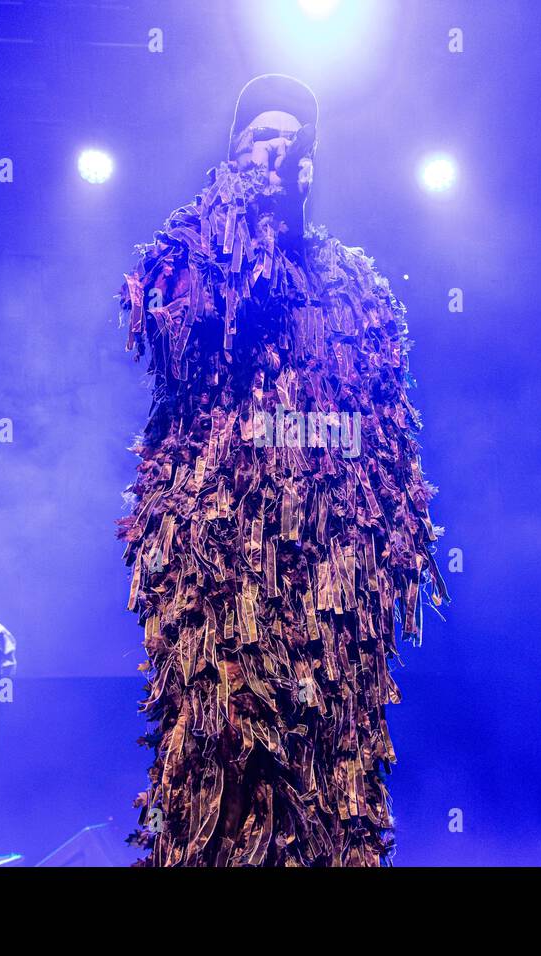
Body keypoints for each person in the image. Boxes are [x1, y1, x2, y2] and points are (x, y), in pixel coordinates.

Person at [118, 74, 446, 866]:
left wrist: (393, 537)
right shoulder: (189, 252)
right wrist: (242, 219)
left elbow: (386, 420)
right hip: (223, 550)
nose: (279, 149)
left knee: (329, 746)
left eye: (292, 140)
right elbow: (187, 337)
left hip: (333, 556)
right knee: (224, 741)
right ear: (231, 154)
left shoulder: (356, 281)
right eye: (260, 137)